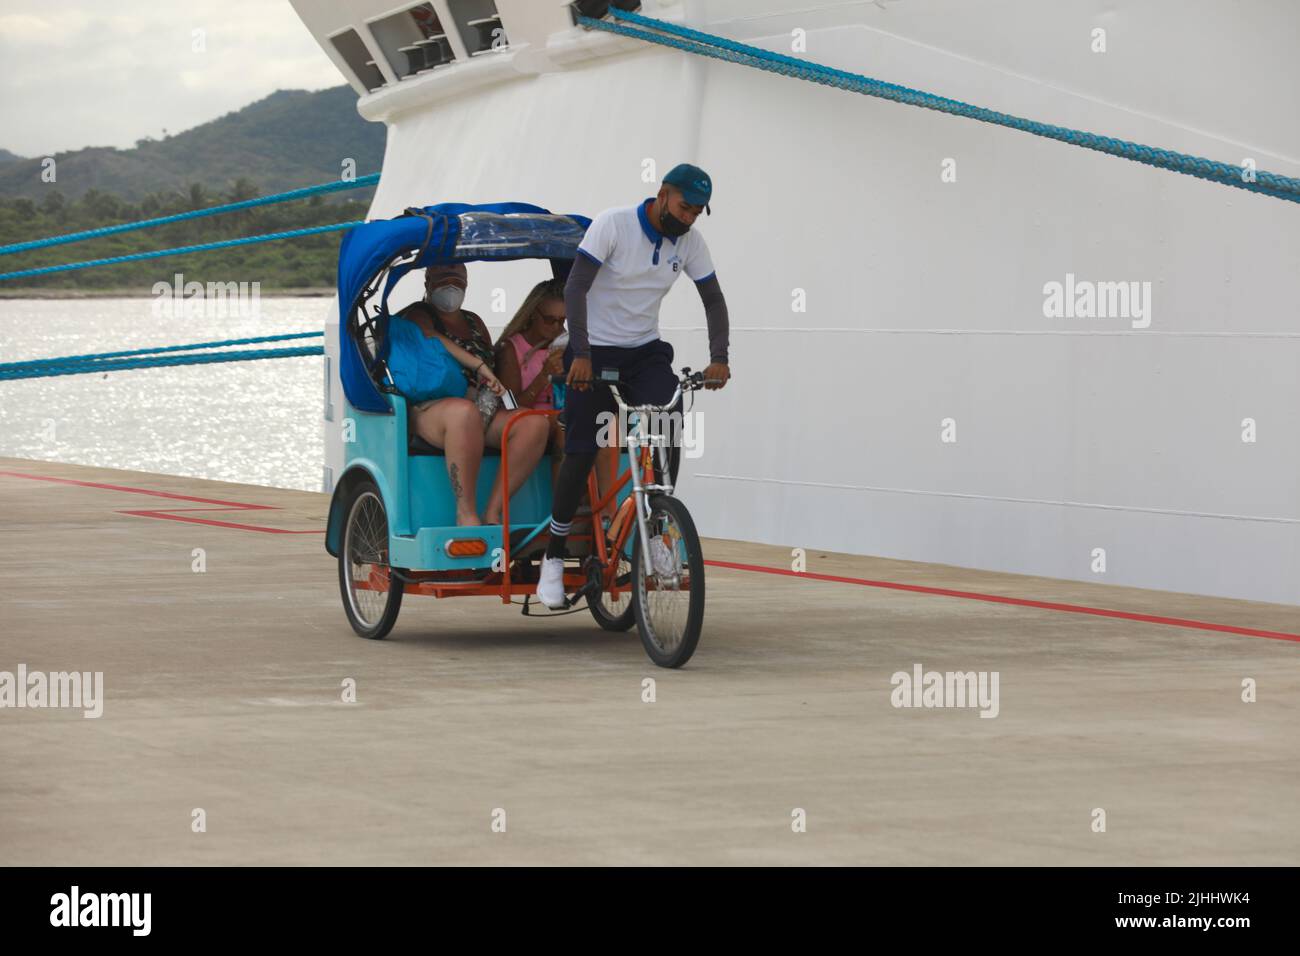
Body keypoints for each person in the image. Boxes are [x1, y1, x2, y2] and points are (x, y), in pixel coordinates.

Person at [536, 164, 732, 608]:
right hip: (593, 352)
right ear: (663, 194)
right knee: (583, 448)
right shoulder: (614, 224)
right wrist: (580, 353)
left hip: (644, 353)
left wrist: (719, 357)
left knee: (669, 418)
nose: (689, 218)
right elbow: (576, 288)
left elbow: (713, 299)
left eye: (697, 212)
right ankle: (554, 557)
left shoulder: (690, 242)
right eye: (684, 207)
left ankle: (659, 530)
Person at [399, 263, 551, 526]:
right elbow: (431, 337)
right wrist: (478, 366)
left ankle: (494, 512)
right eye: (444, 278)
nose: (451, 286)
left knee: (533, 423)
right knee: (464, 413)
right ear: (428, 283)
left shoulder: (474, 321)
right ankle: (466, 514)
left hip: (481, 404)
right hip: (431, 406)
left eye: (458, 280)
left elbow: (492, 359)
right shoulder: (418, 315)